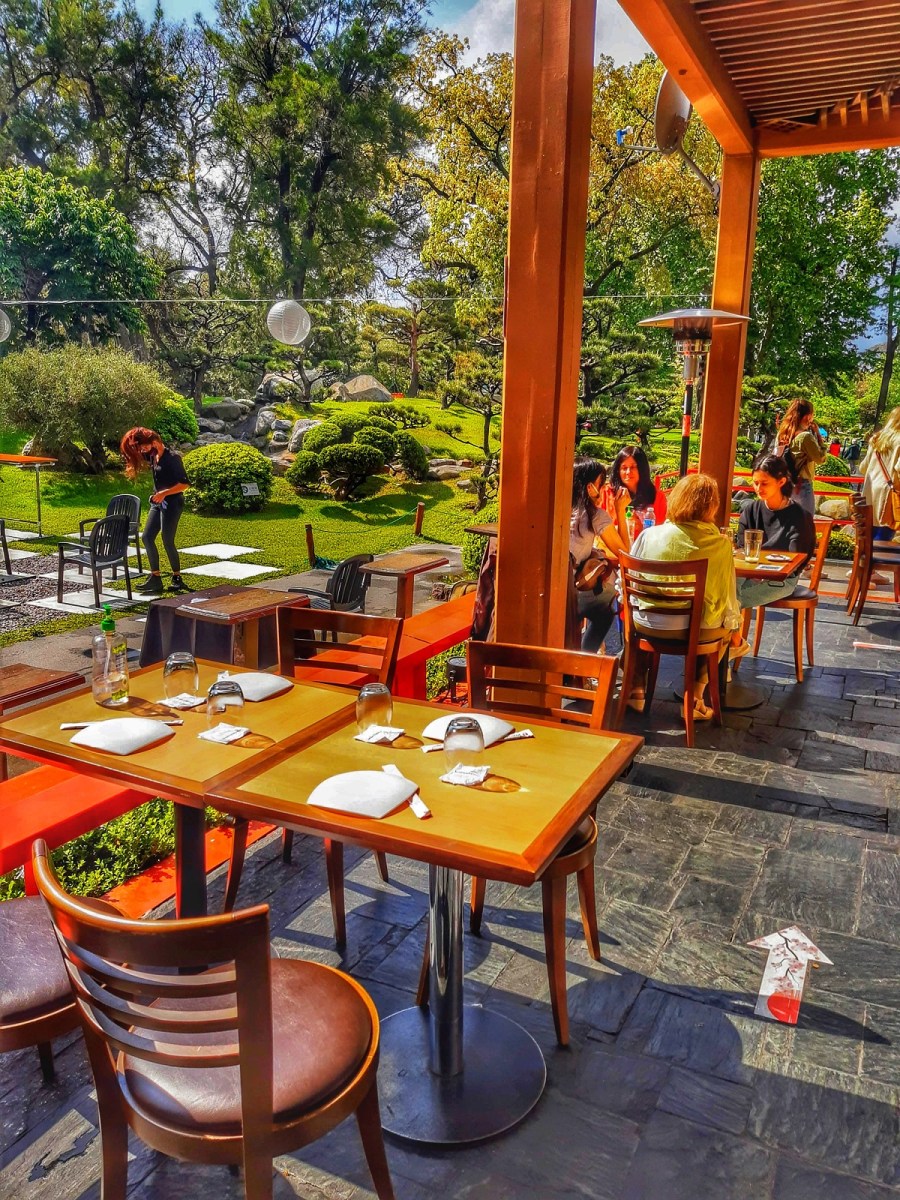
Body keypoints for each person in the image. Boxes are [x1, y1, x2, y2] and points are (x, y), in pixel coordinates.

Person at [626, 473, 742, 721]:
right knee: (724, 629)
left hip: (648, 625)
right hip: (693, 631)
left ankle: (636, 689)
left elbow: (625, 584)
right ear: (711, 506)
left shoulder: (649, 535)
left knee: (637, 613)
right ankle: (695, 700)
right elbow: (727, 597)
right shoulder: (720, 545)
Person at [737, 453, 816, 609]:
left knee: (730, 599)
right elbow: (741, 546)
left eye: (764, 483)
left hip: (782, 579)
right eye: (756, 483)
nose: (759, 489)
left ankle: (731, 633)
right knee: (722, 588)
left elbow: (797, 560)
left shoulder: (799, 516)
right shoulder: (751, 510)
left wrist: (764, 570)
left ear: (781, 481)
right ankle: (732, 633)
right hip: (749, 572)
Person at [120, 427, 190, 595]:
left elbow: (184, 484)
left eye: (143, 446)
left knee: (167, 540)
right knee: (147, 537)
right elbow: (135, 451)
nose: (142, 450)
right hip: (157, 503)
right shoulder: (153, 456)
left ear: (155, 442)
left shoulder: (173, 458)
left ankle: (177, 578)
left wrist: (164, 493)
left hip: (172, 502)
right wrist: (131, 442)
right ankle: (155, 578)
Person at [569, 458, 628, 653]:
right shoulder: (594, 514)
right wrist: (620, 510)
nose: (602, 490)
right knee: (605, 607)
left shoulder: (561, 507)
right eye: (600, 485)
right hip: (571, 592)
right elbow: (624, 555)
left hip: (552, 586)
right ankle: (584, 661)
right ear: (589, 487)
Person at [603, 444, 668, 544]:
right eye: (624, 468)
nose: (628, 472)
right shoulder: (607, 493)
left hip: (644, 553)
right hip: (613, 554)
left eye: (633, 467)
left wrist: (641, 527)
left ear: (642, 469)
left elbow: (662, 533)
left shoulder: (657, 497)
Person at [774, 398, 825, 516]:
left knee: (785, 523)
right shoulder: (805, 437)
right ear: (807, 416)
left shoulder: (782, 434)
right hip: (801, 485)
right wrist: (818, 436)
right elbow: (820, 458)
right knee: (804, 525)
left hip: (784, 485)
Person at [860, 406, 900, 542]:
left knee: (868, 541)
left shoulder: (876, 438)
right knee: (882, 540)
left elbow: (863, 468)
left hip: (869, 492)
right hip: (888, 495)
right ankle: (877, 563)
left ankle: (866, 563)